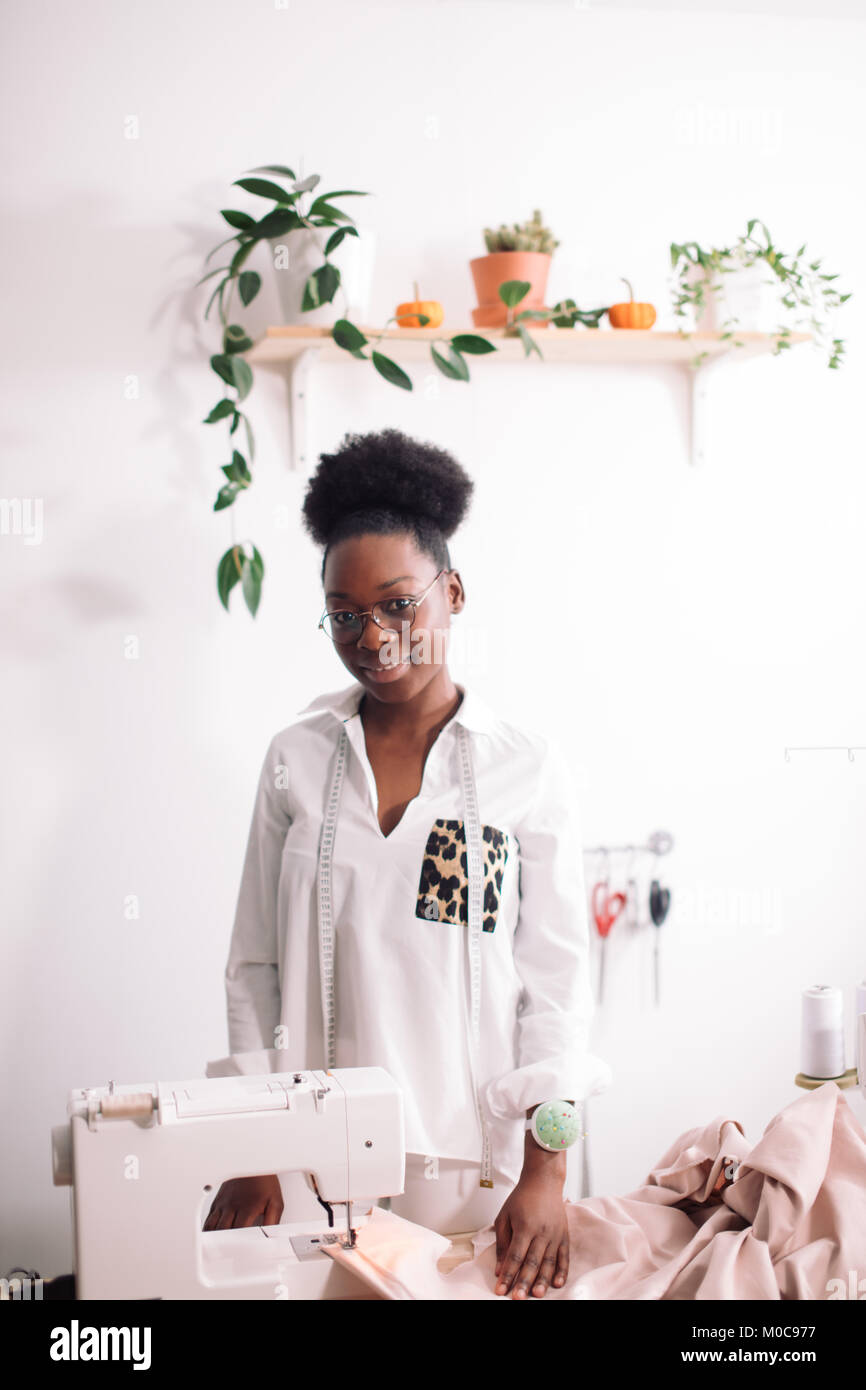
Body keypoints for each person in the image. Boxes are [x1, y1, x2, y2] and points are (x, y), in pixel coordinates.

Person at [203, 427, 611, 1298]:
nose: (373, 635)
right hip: (312, 1163)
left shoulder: (523, 769)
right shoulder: (296, 759)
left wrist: (547, 1174)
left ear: (452, 592)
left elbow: (559, 987)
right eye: (344, 614)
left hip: (478, 1174)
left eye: (397, 604)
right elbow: (254, 969)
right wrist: (251, 1145)